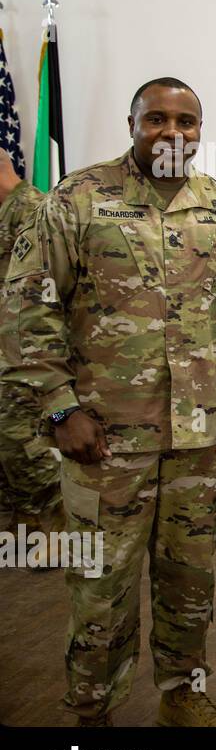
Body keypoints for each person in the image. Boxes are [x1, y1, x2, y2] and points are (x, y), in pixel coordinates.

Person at [2, 77, 216, 726]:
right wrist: (61, 406)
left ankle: (184, 696)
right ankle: (92, 713)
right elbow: (27, 304)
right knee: (102, 588)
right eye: (157, 118)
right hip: (105, 442)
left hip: (198, 443)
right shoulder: (80, 199)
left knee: (190, 582)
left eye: (186, 120)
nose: (172, 132)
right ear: (132, 124)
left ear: (201, 130)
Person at [0, 149, 60, 566]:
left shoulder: (35, 211)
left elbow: (44, 293)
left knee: (23, 442)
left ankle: (53, 533)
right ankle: (26, 530)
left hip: (24, 355)